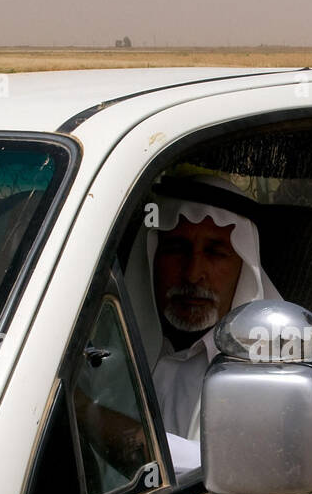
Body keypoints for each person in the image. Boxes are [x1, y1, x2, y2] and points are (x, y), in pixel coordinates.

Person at [120, 175, 282, 475]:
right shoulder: (112, 346)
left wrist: (97, 420)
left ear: (244, 266)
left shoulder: (274, 362)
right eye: (177, 249)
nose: (193, 274)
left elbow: (232, 470)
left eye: (215, 253)